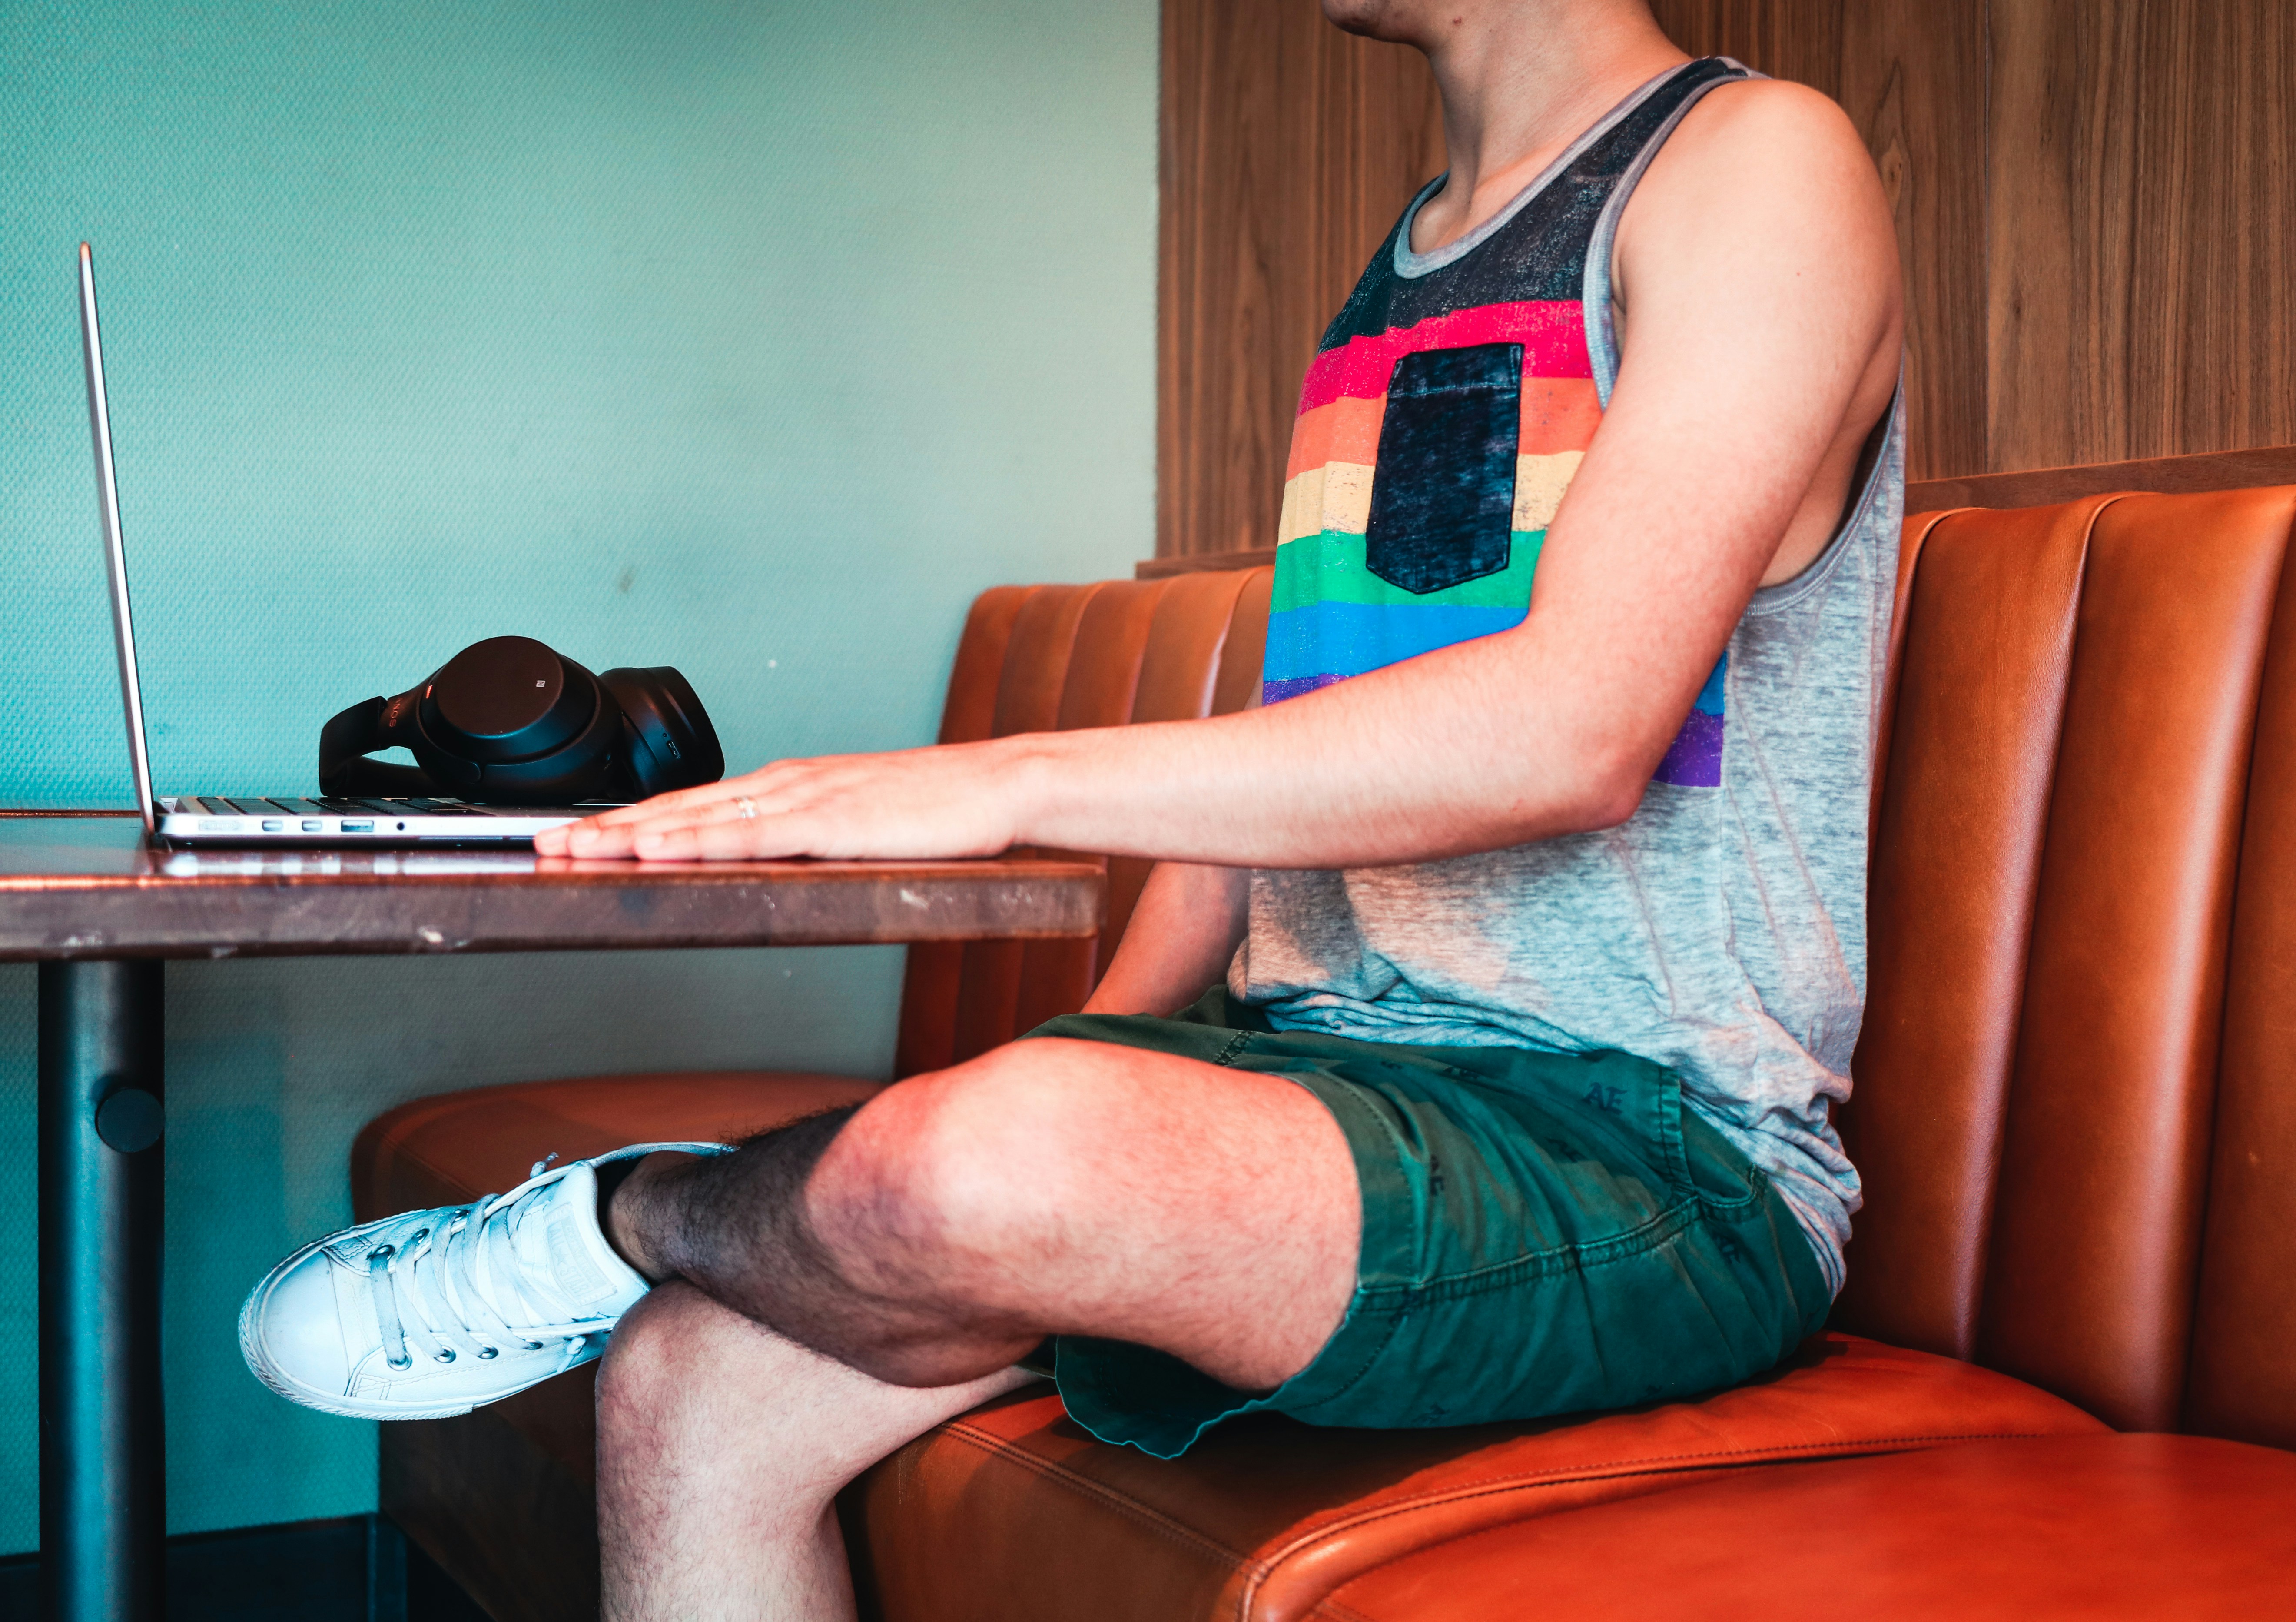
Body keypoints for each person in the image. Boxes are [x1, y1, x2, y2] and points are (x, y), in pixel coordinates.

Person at [239, 1, 1904, 1615]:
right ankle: (677, 1250)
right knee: (694, 1379)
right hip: (1323, 1092)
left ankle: (618, 1214)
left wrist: (1002, 783)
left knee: (975, 1161)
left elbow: (1574, 731)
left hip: (1649, 1152)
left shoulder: (1755, 166)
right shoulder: (1403, 266)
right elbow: (1300, 756)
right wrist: (1099, 1060)